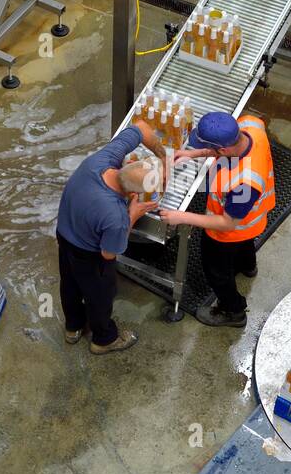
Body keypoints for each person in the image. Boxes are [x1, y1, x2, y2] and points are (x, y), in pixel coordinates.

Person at [56, 119, 166, 354]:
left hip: (65, 233)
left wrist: (162, 155)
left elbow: (140, 127)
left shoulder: (102, 160)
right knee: (99, 295)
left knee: (70, 284)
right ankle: (103, 339)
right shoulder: (116, 216)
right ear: (133, 193)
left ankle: (73, 327)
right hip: (88, 252)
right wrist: (133, 215)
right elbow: (109, 253)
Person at [160, 111, 275, 328]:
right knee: (245, 246)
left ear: (222, 150)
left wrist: (182, 216)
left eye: (210, 148)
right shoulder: (250, 125)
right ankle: (248, 267)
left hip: (229, 231)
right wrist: (193, 154)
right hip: (254, 221)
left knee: (217, 273)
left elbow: (228, 223)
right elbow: (225, 146)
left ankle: (233, 311)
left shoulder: (245, 183)